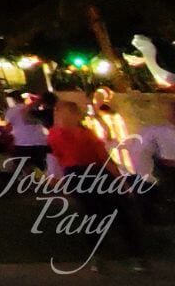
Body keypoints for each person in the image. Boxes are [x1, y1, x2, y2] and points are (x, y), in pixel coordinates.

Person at [49, 100, 147, 269]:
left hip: (75, 176)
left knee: (92, 215)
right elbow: (105, 160)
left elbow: (58, 158)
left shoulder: (54, 134)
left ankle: (98, 256)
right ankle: (134, 255)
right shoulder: (85, 134)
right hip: (94, 174)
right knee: (120, 211)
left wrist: (59, 178)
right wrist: (122, 182)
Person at [4, 93, 50, 176]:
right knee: (41, 167)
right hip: (40, 142)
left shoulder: (12, 110)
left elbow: (8, 127)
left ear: (12, 100)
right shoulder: (34, 108)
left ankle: (28, 183)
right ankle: (43, 183)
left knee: (23, 166)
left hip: (23, 143)